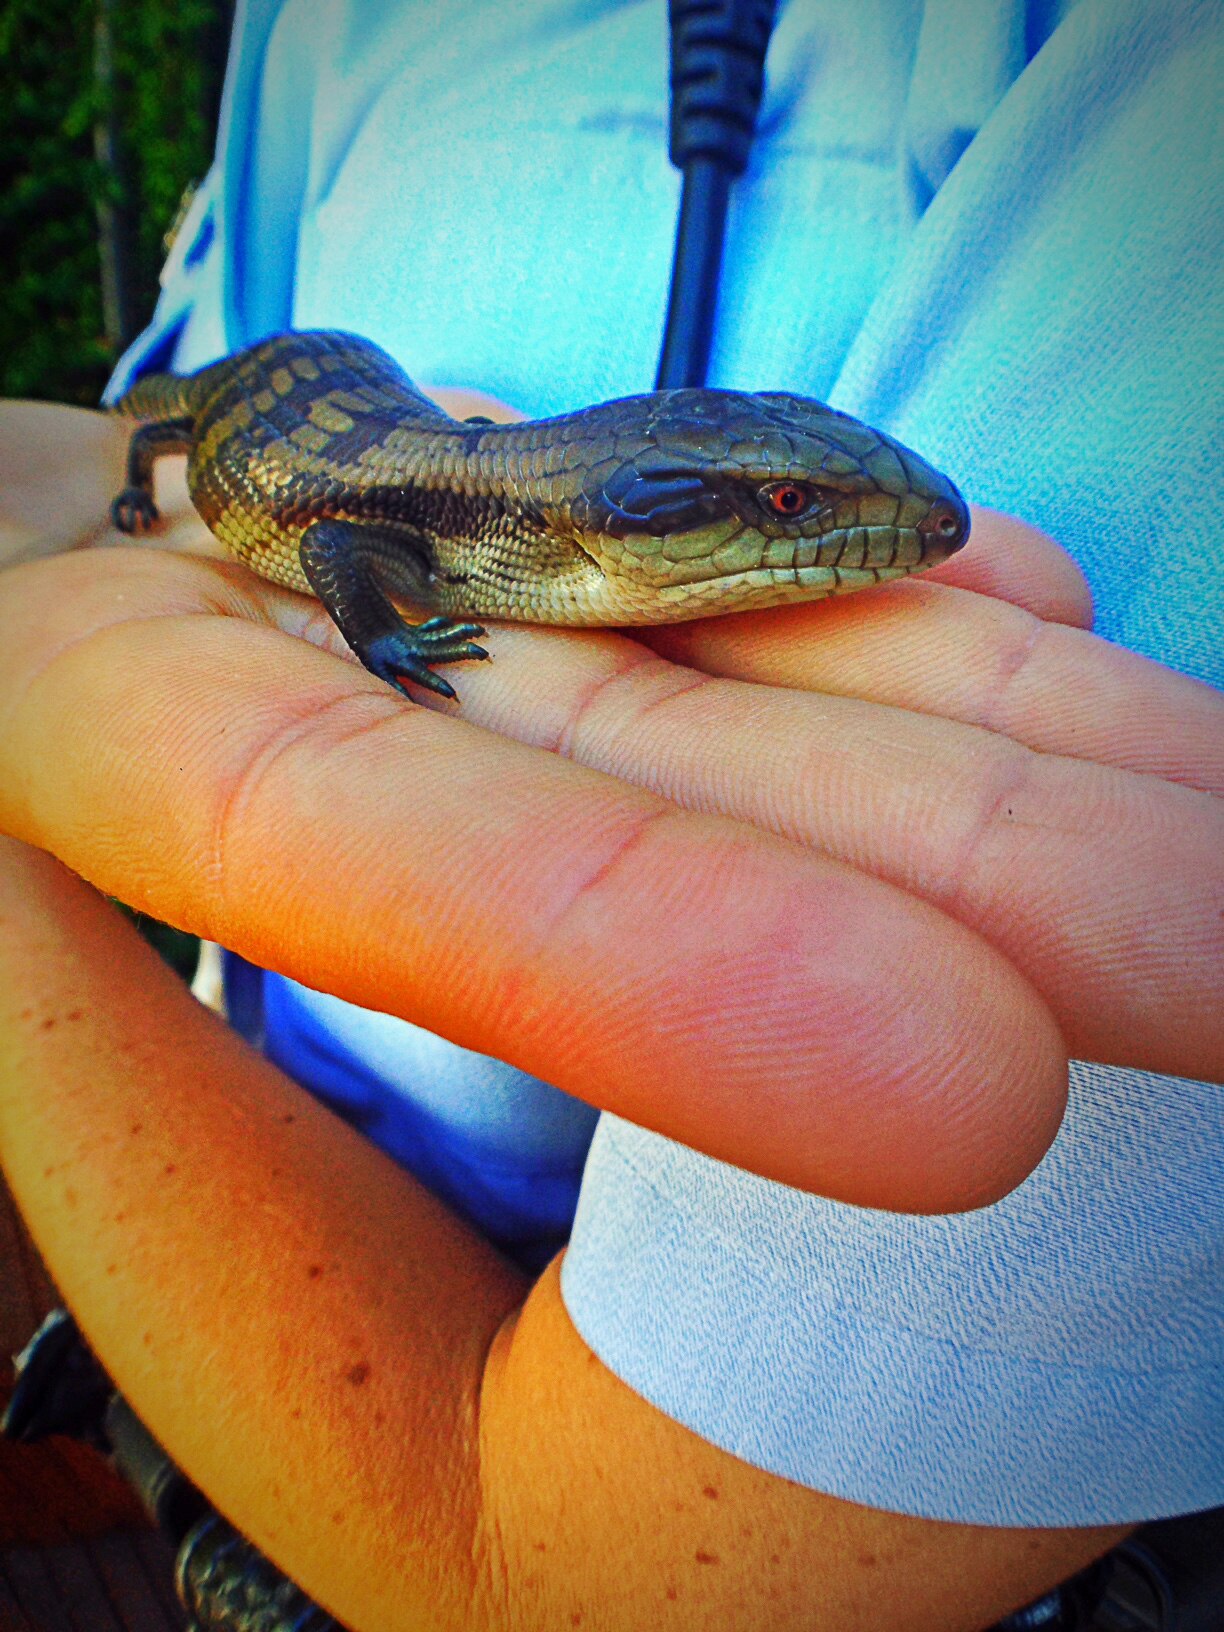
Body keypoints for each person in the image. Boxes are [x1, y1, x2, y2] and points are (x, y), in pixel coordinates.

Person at [0, 1, 1220, 1628]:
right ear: (639, 521)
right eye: (791, 512)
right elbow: (295, 504)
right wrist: (171, 526)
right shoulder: (335, 36)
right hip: (212, 1268)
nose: (858, 531)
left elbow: (565, 1568)